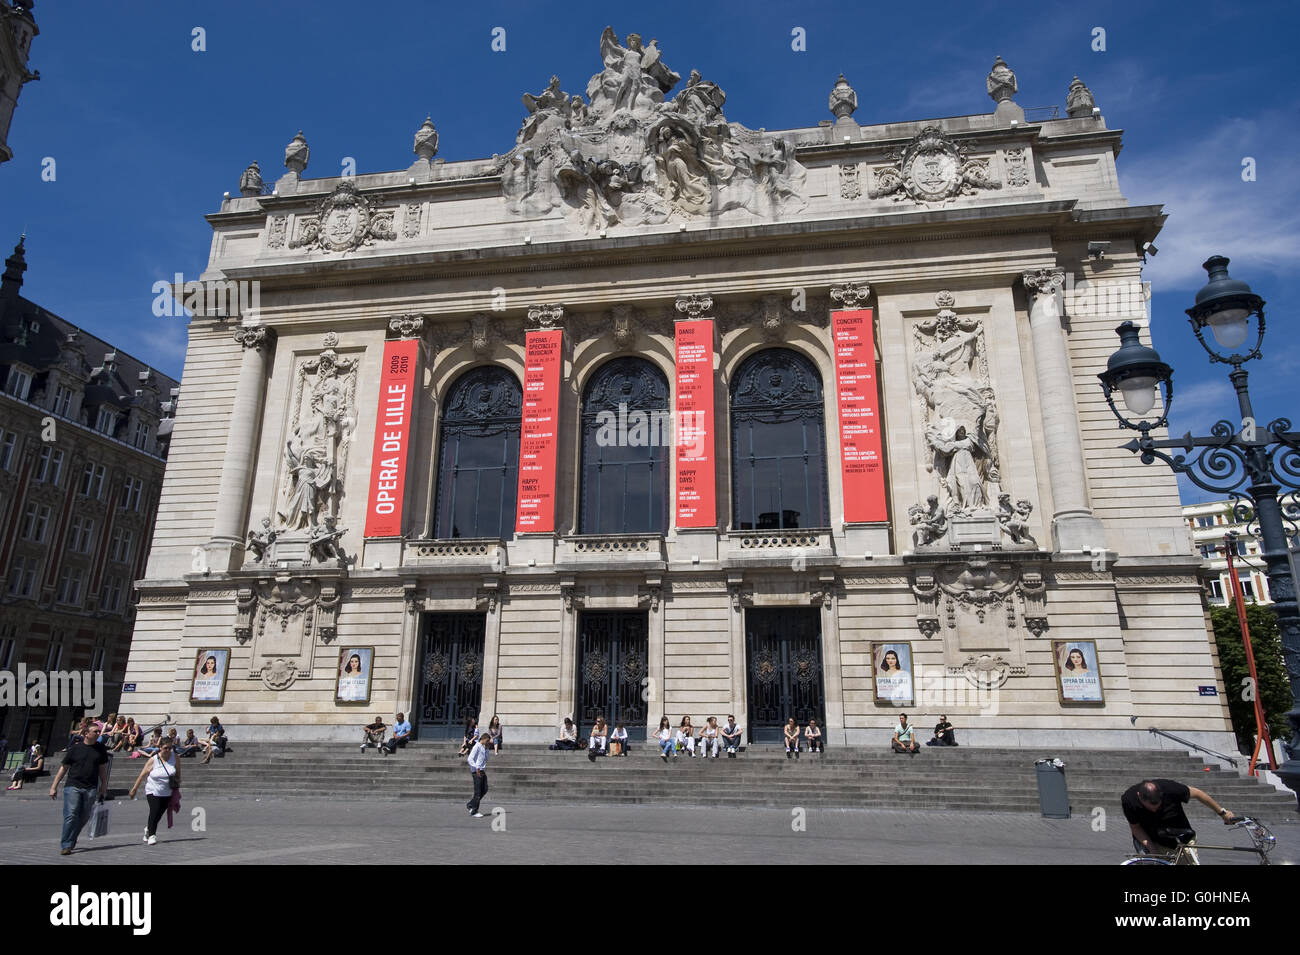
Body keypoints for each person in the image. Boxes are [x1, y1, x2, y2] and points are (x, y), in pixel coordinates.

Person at [1122, 779, 1238, 861]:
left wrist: (1222, 813)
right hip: (1154, 841)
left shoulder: (1170, 788)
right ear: (1139, 796)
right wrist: (1152, 849)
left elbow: (1198, 793)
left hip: (1182, 837)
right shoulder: (1129, 800)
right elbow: (1135, 828)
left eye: (1158, 806)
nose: (1154, 810)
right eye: (1150, 808)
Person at [49, 723, 108, 856]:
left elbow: (102, 770)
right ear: (86, 734)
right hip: (73, 786)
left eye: (98, 732)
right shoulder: (75, 749)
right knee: (71, 815)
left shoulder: (100, 749)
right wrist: (54, 786)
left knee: (84, 816)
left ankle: (72, 837)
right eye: (95, 732)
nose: (98, 734)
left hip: (91, 787)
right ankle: (66, 844)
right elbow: (63, 768)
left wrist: (103, 786)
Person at [129, 737, 180, 846]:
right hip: (153, 790)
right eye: (165, 748)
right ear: (160, 747)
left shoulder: (175, 757)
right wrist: (134, 789)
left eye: (170, 748)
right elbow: (142, 774)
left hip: (167, 791)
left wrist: (177, 782)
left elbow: (178, 773)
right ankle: (152, 835)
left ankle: (148, 828)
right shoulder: (154, 759)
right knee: (154, 810)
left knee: (159, 813)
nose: (168, 750)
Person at [466, 732, 492, 817]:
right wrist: (476, 767)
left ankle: (471, 804)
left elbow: (487, 759)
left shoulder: (484, 747)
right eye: (487, 741)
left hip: (482, 770)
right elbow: (470, 759)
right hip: (476, 771)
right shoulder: (476, 746)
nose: (488, 742)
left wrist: (487, 749)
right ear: (483, 739)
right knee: (478, 792)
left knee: (485, 789)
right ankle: (474, 811)